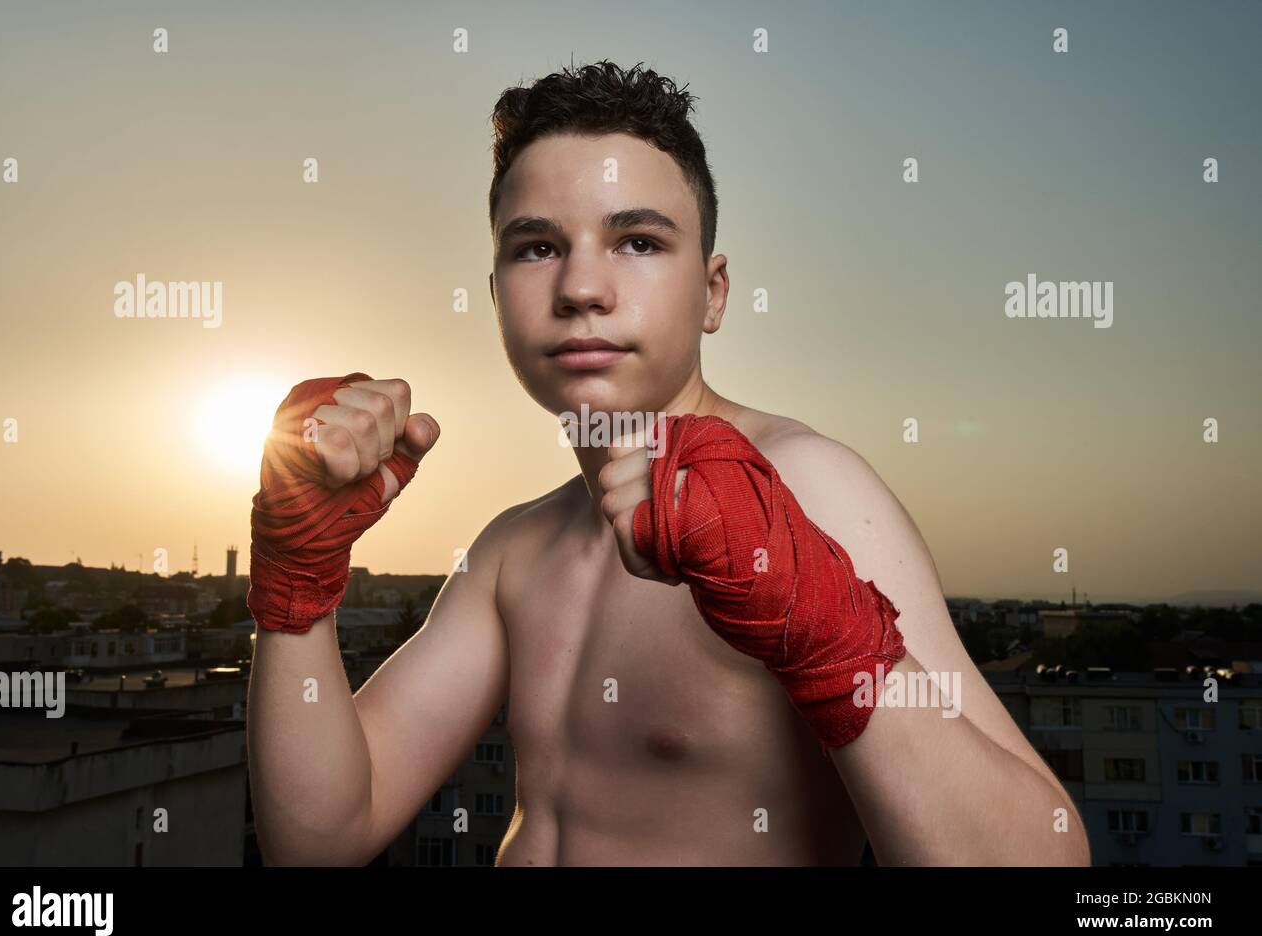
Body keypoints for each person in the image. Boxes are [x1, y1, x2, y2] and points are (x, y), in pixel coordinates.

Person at [246, 60, 1090, 867]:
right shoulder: (512, 549)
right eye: (537, 246)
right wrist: (296, 585)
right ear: (497, 293)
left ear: (714, 292)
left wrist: (826, 621)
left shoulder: (810, 485)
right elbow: (322, 838)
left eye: (638, 241)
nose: (581, 287)